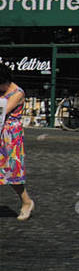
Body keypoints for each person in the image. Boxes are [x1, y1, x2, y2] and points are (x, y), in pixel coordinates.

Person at [0, 64, 34, 221]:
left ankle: (26, 202)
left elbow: (3, 111)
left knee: (12, 172)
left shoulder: (17, 93)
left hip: (10, 138)